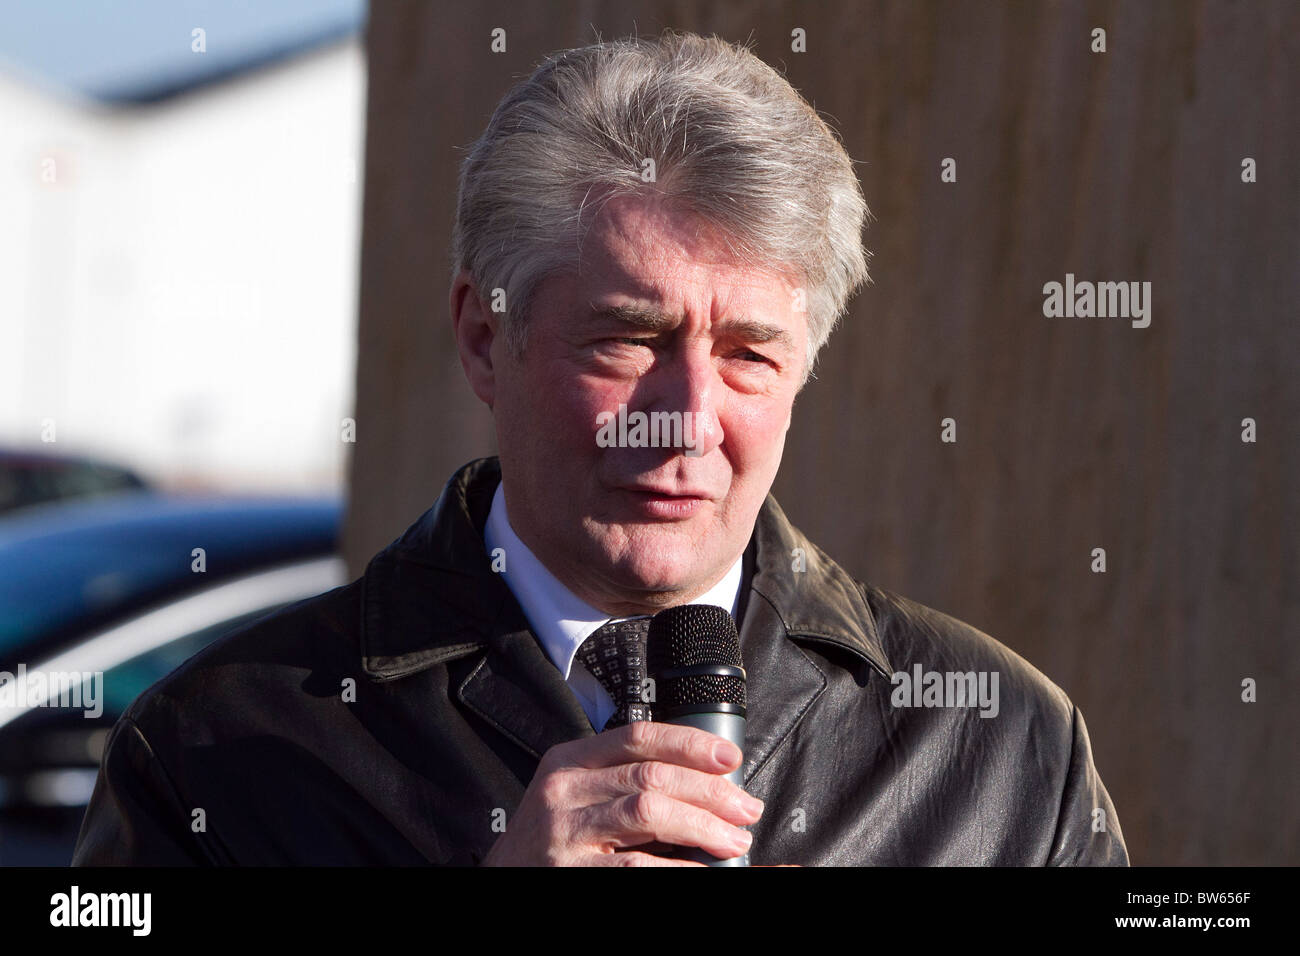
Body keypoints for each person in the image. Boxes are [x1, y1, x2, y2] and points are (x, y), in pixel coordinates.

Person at [72, 31, 1127, 866]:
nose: (689, 415)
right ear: (486, 338)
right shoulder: (210, 749)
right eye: (630, 338)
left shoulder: (999, 749)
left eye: (750, 354)